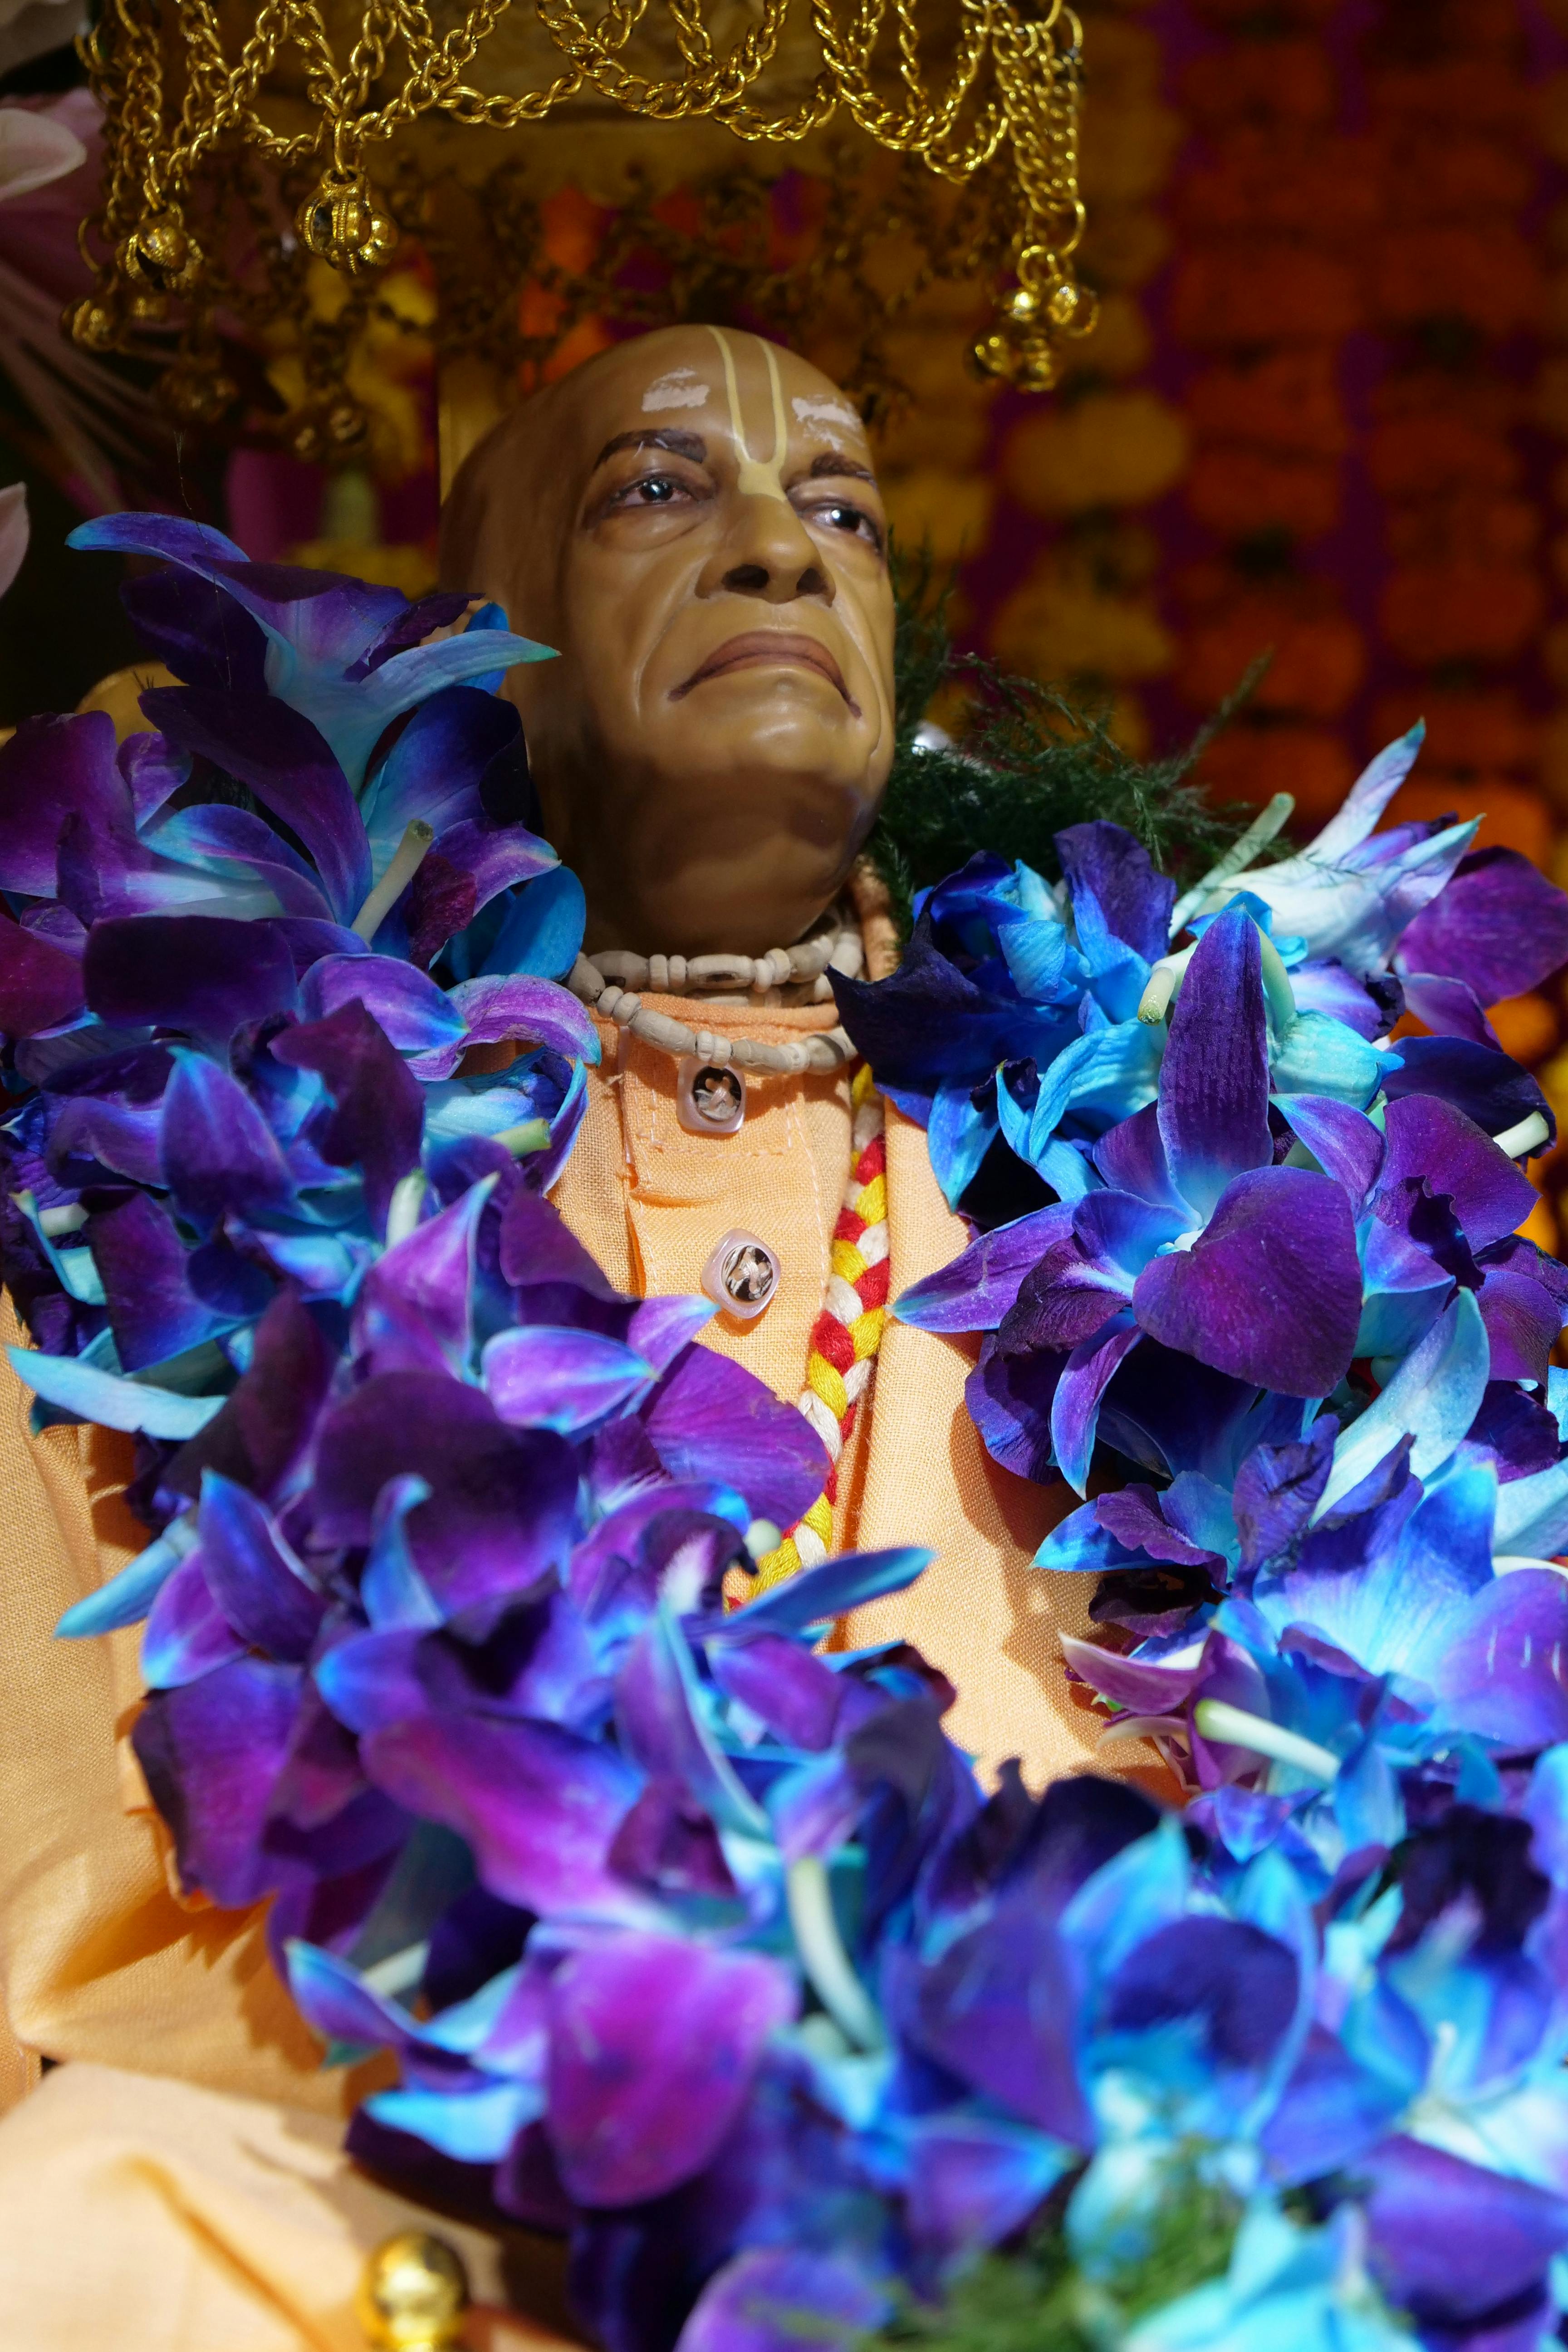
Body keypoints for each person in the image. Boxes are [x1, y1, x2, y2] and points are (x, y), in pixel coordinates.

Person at [0, 325, 1167, 2345]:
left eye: (841, 510)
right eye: (657, 488)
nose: (782, 551)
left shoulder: (1139, 1169)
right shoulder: (174, 1163)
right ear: (491, 650)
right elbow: (86, 1950)